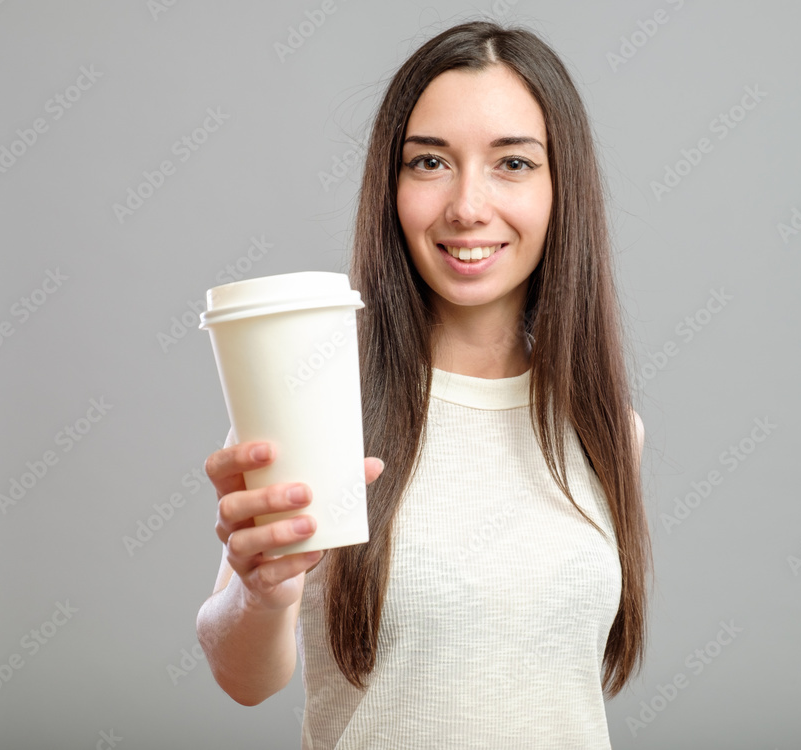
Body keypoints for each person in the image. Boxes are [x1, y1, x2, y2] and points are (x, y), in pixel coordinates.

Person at [197, 19, 651, 749]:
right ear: (392, 184)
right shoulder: (316, 399)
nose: (468, 206)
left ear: (562, 187)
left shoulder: (604, 425)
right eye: (431, 162)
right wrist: (260, 590)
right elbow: (242, 676)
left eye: (513, 163)